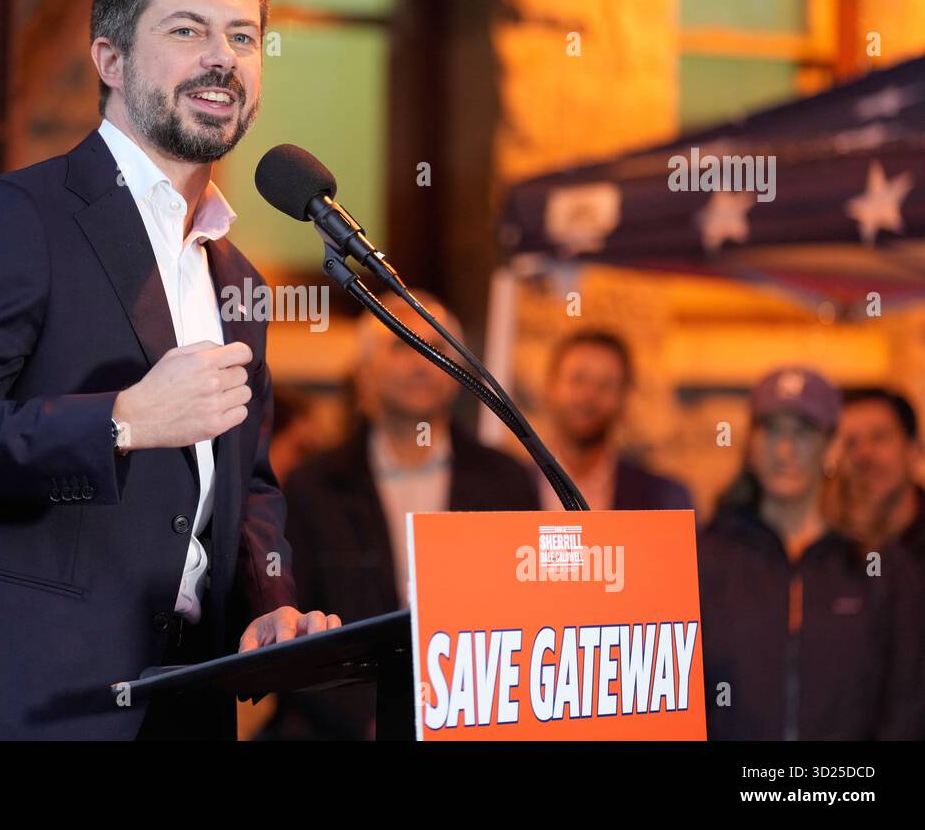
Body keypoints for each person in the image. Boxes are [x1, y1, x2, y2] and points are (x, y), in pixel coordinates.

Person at [0, 0, 337, 741]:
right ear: (110, 61)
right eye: (186, 31)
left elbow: (246, 485)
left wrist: (272, 604)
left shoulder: (240, 281)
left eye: (243, 37)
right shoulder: (15, 218)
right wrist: (122, 422)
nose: (221, 59)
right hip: (23, 704)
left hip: (184, 704)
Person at [263, 291, 539, 740]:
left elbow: (531, 616)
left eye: (435, 346)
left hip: (480, 718)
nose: (419, 361)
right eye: (401, 343)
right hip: (344, 726)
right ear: (366, 372)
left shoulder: (506, 480)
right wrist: (373, 722)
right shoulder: (314, 486)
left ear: (458, 373)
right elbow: (290, 624)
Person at [697, 368, 923, 740]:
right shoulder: (706, 558)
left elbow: (906, 704)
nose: (784, 449)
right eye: (771, 430)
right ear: (750, 444)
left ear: (832, 445)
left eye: (803, 432)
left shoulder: (880, 567)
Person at [539, 330, 693, 511]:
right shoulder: (507, 488)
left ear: (624, 397)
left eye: (605, 384)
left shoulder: (665, 498)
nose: (589, 395)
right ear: (551, 386)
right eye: (577, 379)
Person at [834, 387, 925, 571]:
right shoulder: (829, 549)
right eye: (850, 443)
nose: (863, 454)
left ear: (914, 449)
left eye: (879, 437)